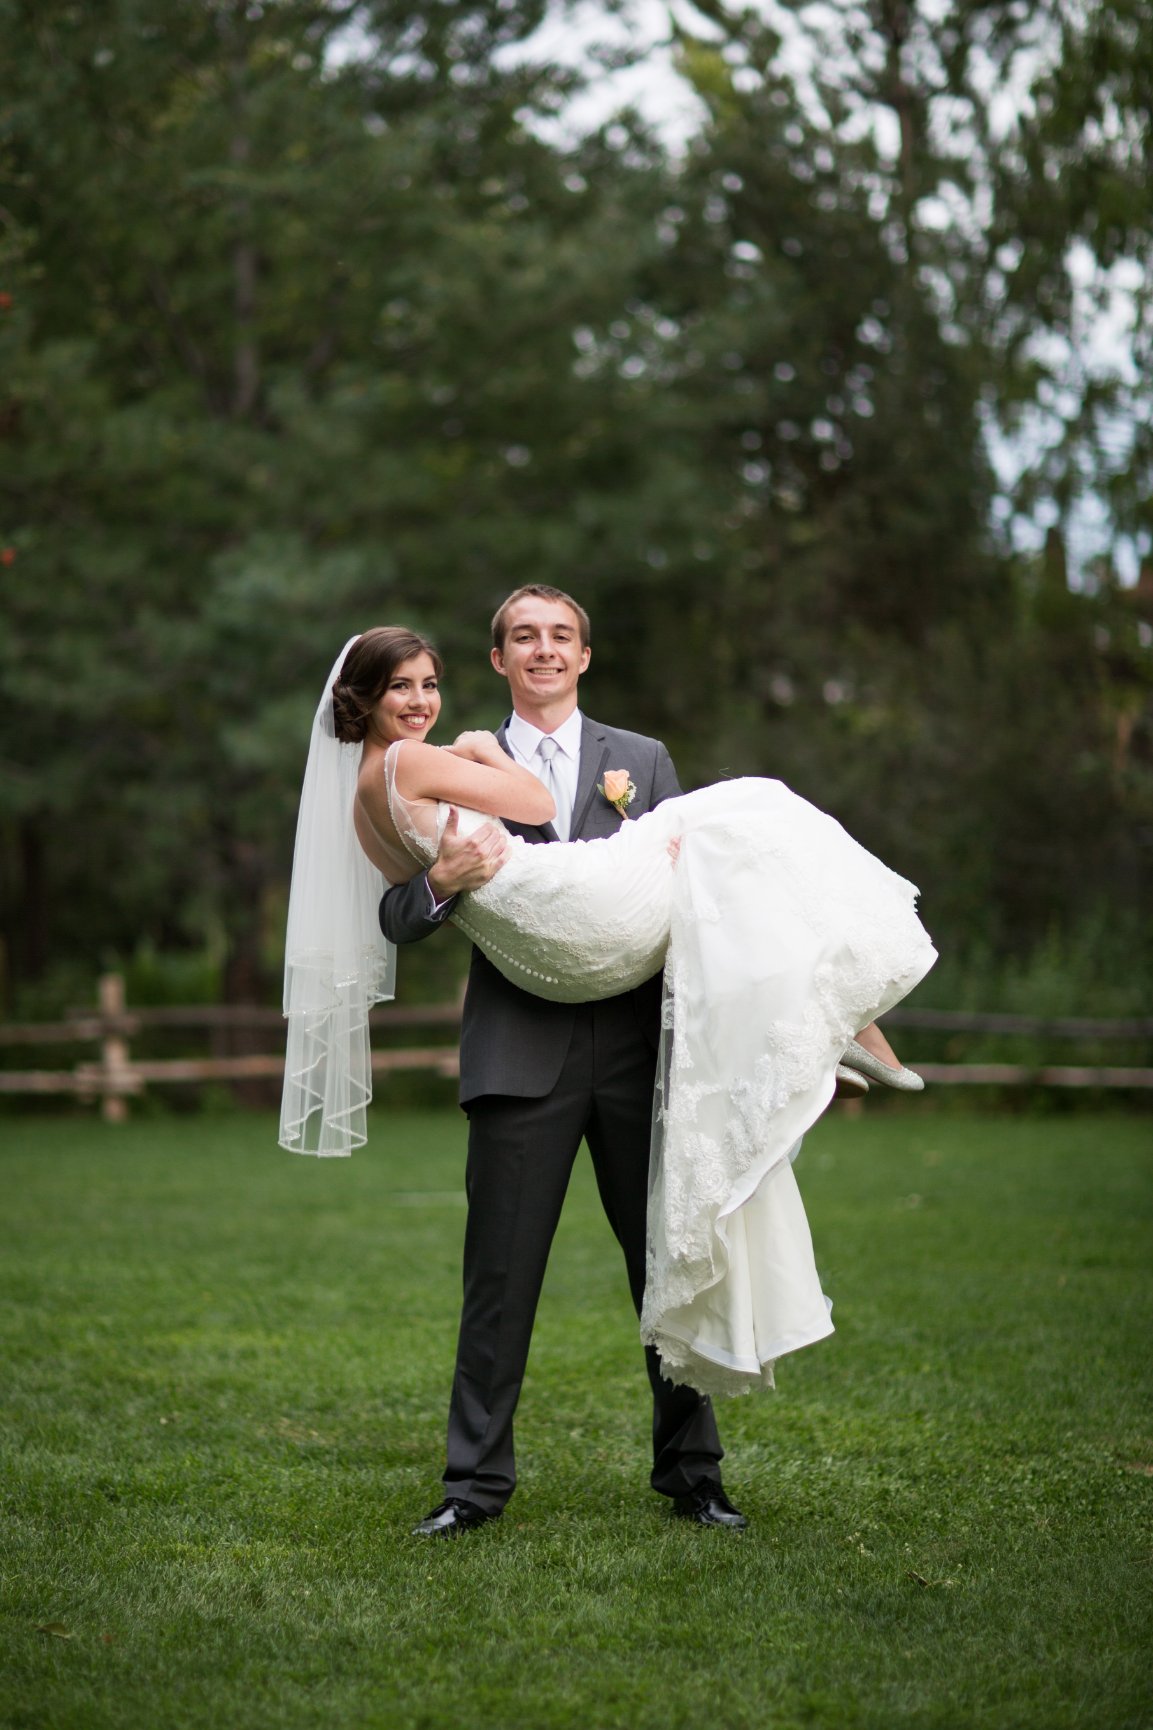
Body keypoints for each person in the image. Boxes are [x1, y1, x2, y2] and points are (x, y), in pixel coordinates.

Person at [279, 595, 936, 1539]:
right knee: (497, 1284)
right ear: (498, 658)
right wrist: (438, 884)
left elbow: (696, 906)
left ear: (582, 655)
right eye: (522, 637)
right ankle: (473, 1488)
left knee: (668, 1259)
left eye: (559, 636)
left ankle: (693, 1475)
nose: (542, 651)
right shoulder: (448, 760)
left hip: (635, 1047)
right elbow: (392, 910)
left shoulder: (644, 758)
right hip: (520, 1053)